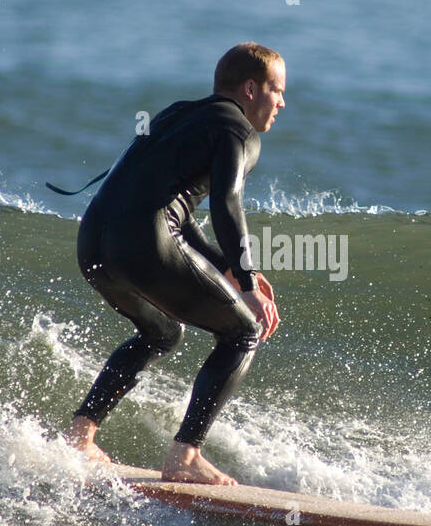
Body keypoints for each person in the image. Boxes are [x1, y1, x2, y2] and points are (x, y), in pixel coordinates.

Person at [64, 42, 284, 486]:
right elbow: (226, 203)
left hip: (94, 242)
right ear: (250, 88)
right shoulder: (240, 132)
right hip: (143, 243)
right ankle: (185, 455)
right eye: (276, 91)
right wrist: (244, 283)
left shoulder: (177, 114)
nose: (281, 102)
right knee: (244, 331)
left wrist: (228, 266)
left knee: (161, 331)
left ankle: (79, 436)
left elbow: (171, 213)